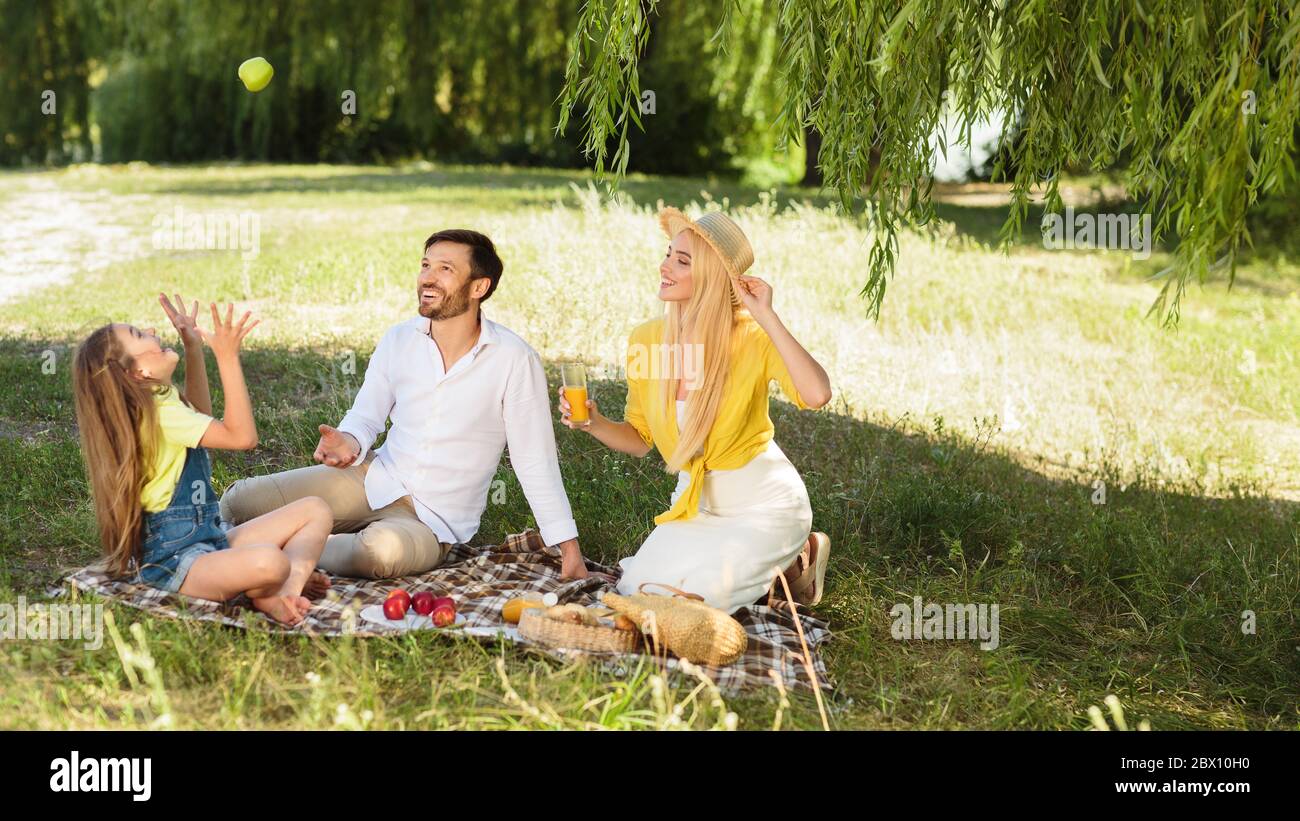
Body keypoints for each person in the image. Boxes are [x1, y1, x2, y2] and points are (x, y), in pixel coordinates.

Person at [220, 229, 591, 579]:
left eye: (445, 269)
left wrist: (569, 550)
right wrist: (347, 441)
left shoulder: (513, 358)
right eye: (426, 265)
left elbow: (534, 459)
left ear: (479, 287)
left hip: (433, 522)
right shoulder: (399, 339)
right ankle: (233, 543)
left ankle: (266, 549)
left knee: (376, 554)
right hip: (373, 478)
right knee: (239, 502)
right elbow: (366, 416)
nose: (428, 278)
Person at [559, 207, 832, 614]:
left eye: (682, 261)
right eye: (669, 253)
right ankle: (782, 570)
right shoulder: (648, 340)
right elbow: (639, 441)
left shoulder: (752, 338)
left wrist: (766, 315)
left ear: (709, 276)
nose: (664, 266)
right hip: (694, 503)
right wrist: (592, 422)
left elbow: (816, 394)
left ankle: (796, 554)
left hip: (764, 508)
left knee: (700, 602)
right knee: (637, 593)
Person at [71, 295, 332, 625]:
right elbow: (242, 438)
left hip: (210, 536)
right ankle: (272, 585)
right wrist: (226, 357)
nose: (152, 329)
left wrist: (193, 349)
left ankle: (285, 592)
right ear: (138, 372)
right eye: (139, 334)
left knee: (315, 510)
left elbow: (201, 416)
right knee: (272, 561)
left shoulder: (158, 401)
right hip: (177, 560)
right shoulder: (158, 414)